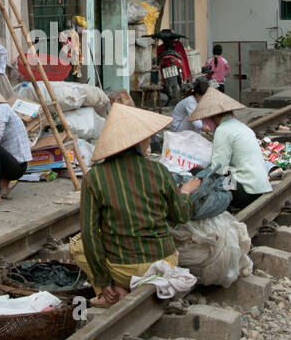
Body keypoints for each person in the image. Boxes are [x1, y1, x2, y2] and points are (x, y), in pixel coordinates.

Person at [79, 103, 200, 308]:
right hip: (165, 262)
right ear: (137, 142)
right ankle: (119, 291)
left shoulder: (94, 177)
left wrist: (102, 280)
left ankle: (108, 292)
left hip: (123, 270)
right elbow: (180, 216)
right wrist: (185, 193)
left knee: (78, 244)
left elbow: (89, 234)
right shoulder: (159, 171)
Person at [188, 88, 272, 210]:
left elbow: (218, 168)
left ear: (213, 116)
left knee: (196, 173)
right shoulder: (240, 126)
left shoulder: (223, 130)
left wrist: (199, 173)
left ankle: (221, 208)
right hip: (259, 187)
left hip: (246, 192)